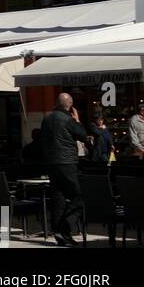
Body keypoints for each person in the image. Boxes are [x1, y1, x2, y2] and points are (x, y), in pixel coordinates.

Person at [40, 93, 91, 247]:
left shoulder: (47, 119)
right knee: (79, 196)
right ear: (70, 104)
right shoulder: (68, 119)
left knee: (58, 198)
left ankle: (60, 234)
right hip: (67, 162)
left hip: (52, 163)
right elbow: (82, 135)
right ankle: (65, 228)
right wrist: (77, 120)